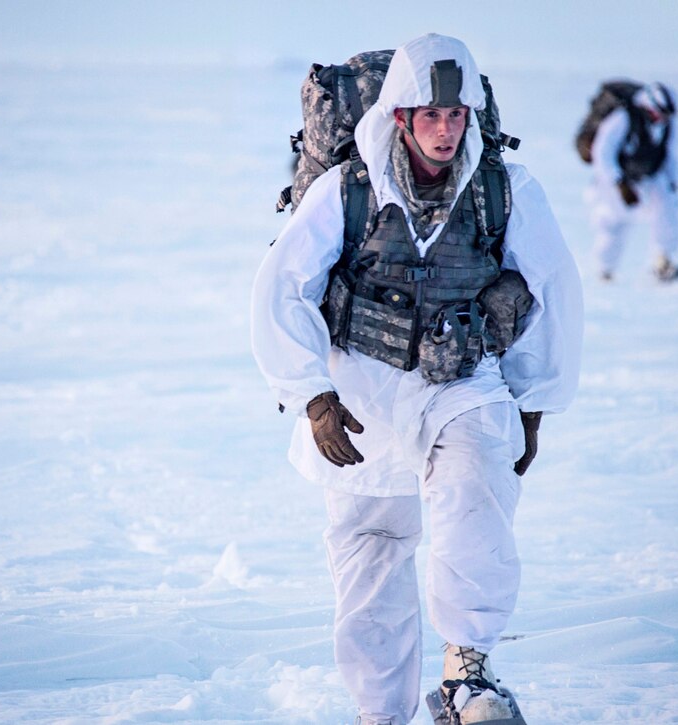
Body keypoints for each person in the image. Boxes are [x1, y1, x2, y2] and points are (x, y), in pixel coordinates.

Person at [251, 34, 582, 725]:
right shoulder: (347, 188)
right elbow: (283, 286)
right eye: (429, 116)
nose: (444, 130)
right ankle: (381, 711)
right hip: (361, 389)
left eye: (456, 115)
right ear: (400, 116)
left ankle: (468, 671)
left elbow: (552, 288)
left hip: (462, 378)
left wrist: (535, 402)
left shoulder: (505, 187)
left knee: (478, 482)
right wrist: (314, 393)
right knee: (370, 553)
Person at [584, 81, 678, 282]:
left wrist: (672, 184)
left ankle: (663, 262)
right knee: (613, 223)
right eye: (660, 113)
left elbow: (669, 156)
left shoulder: (666, 125)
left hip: (650, 178)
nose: (662, 118)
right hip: (617, 180)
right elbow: (602, 153)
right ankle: (604, 271)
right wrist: (619, 183)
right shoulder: (623, 118)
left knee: (666, 210)